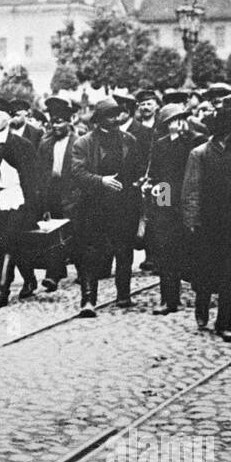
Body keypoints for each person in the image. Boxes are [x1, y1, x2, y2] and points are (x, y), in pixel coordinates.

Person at [181, 95, 231, 341]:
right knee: (205, 274)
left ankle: (225, 322)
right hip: (208, 226)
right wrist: (192, 221)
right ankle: (202, 304)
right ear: (228, 129)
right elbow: (190, 189)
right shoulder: (199, 154)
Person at [73, 97, 143, 316]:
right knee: (91, 253)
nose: (116, 119)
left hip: (124, 205)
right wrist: (100, 180)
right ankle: (88, 301)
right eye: (110, 116)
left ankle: (124, 295)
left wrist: (138, 182)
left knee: (124, 250)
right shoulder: (83, 143)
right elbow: (77, 172)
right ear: (100, 119)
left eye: (117, 115)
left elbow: (138, 168)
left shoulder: (129, 139)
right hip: (94, 206)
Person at [0, 97, 41, 304]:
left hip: (17, 198)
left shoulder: (21, 145)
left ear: (8, 118)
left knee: (10, 241)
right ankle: (29, 279)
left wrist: (34, 208)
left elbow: (32, 178)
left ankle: (3, 290)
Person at [144, 102, 197, 314]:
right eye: (174, 120)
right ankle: (169, 299)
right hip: (167, 203)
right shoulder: (161, 144)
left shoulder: (192, 143)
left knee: (189, 251)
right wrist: (161, 207)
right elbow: (158, 176)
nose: (179, 124)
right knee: (166, 253)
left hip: (188, 202)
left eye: (182, 119)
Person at [36, 95, 85, 292]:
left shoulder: (79, 142)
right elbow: (41, 171)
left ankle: (83, 271)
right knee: (53, 235)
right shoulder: (46, 142)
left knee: (77, 235)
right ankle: (53, 274)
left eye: (59, 122)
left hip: (74, 194)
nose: (55, 126)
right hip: (53, 194)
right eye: (52, 122)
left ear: (69, 121)